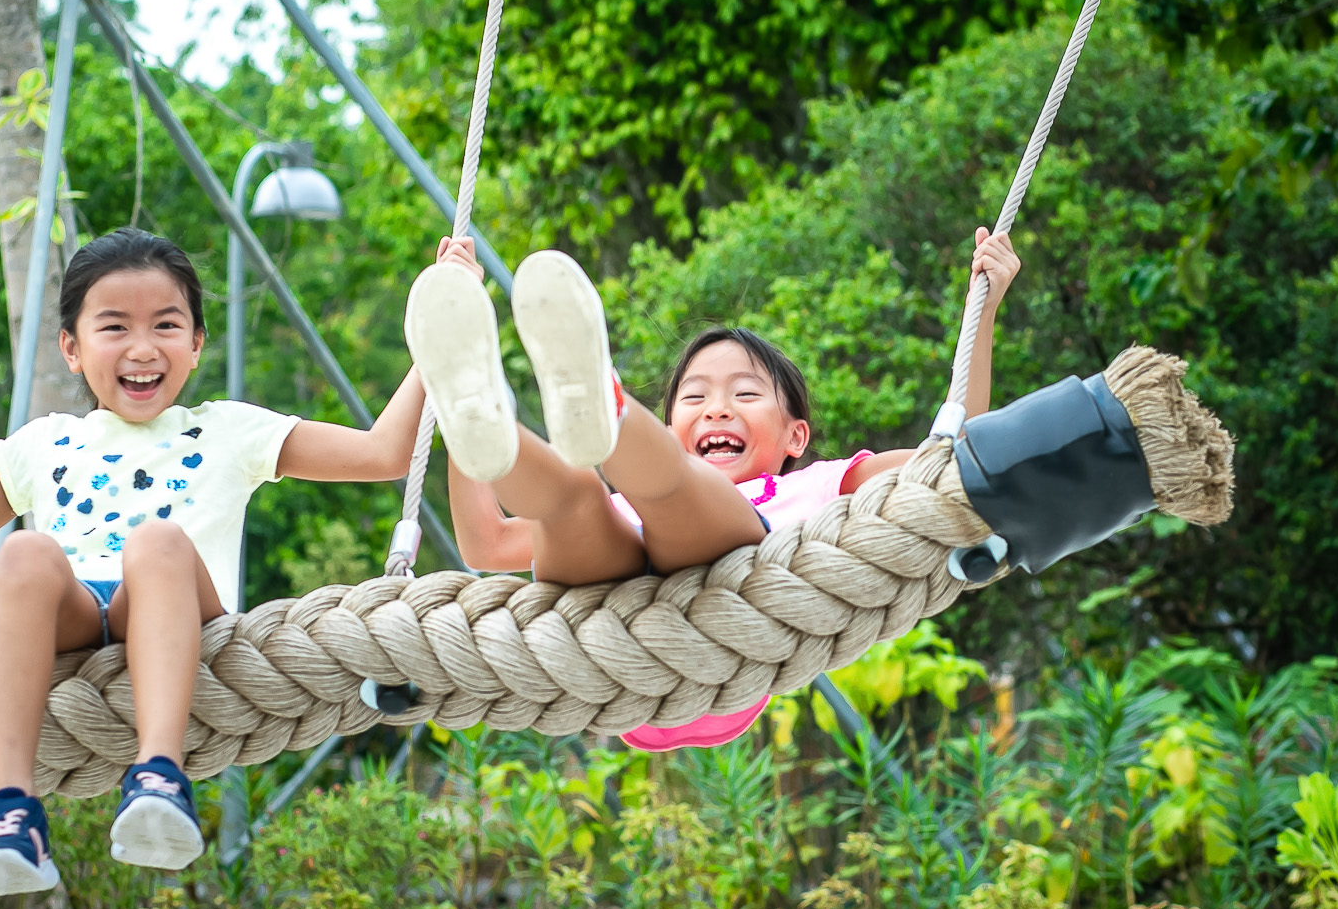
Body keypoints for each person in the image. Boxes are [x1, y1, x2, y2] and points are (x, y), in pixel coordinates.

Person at [0, 227, 441, 899]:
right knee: (26, 550)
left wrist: (441, 330)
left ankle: (159, 775)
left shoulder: (230, 429)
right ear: (72, 347)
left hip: (175, 602)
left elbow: (384, 453)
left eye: (167, 325)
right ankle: (11, 811)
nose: (143, 348)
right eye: (114, 326)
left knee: (155, 540)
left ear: (197, 343)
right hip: (72, 618)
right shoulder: (43, 444)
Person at [408, 228, 1020, 751]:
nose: (717, 410)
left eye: (745, 395)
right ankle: (484, 412)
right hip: (617, 656)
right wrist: (451, 409)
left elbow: (948, 462)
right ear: (670, 428)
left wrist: (984, 311)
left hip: (727, 653)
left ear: (795, 436)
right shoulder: (626, 506)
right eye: (694, 397)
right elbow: (486, 545)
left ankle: (607, 404)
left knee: (677, 493)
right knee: (574, 497)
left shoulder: (820, 486)